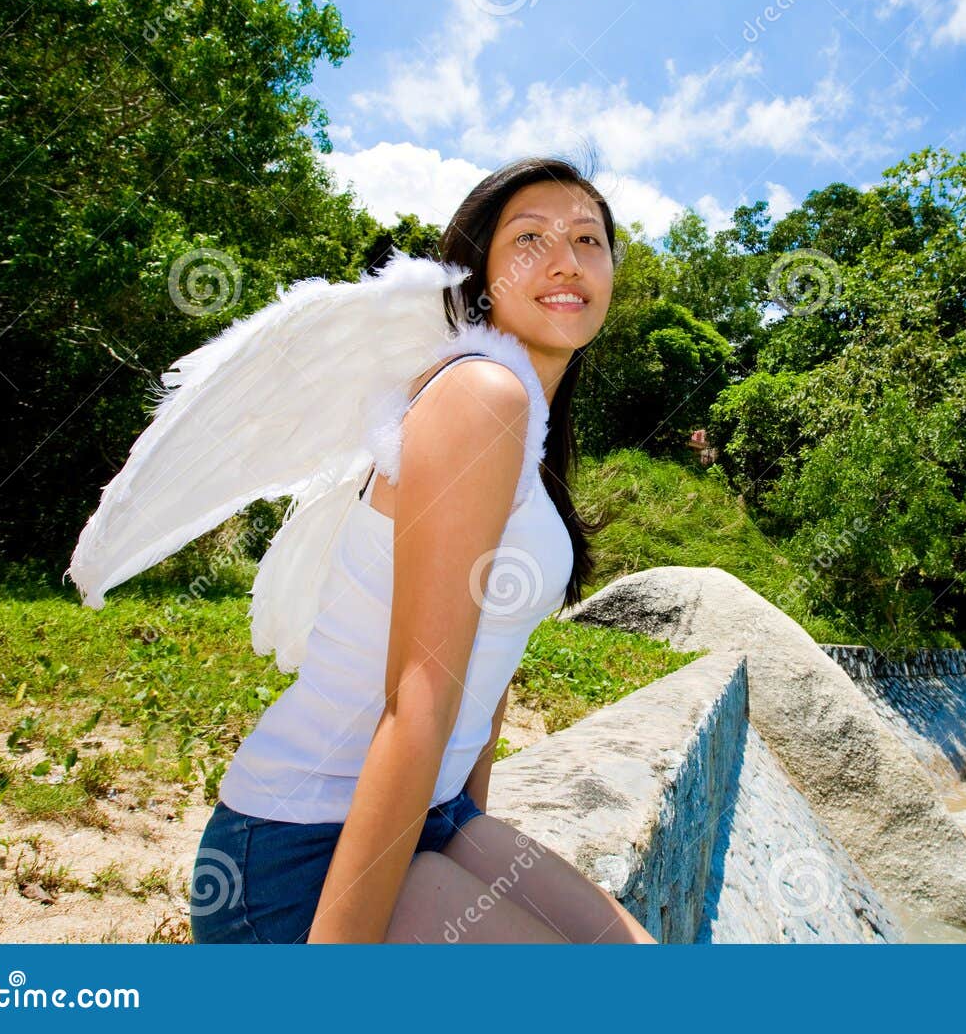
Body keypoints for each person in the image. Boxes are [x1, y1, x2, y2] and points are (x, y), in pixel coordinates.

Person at [189, 157, 657, 944]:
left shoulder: (529, 433)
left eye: (588, 240)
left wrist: (472, 823)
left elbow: (490, 662)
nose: (566, 259)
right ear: (479, 272)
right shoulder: (481, 397)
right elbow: (419, 692)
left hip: (429, 815)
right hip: (302, 848)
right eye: (529, 238)